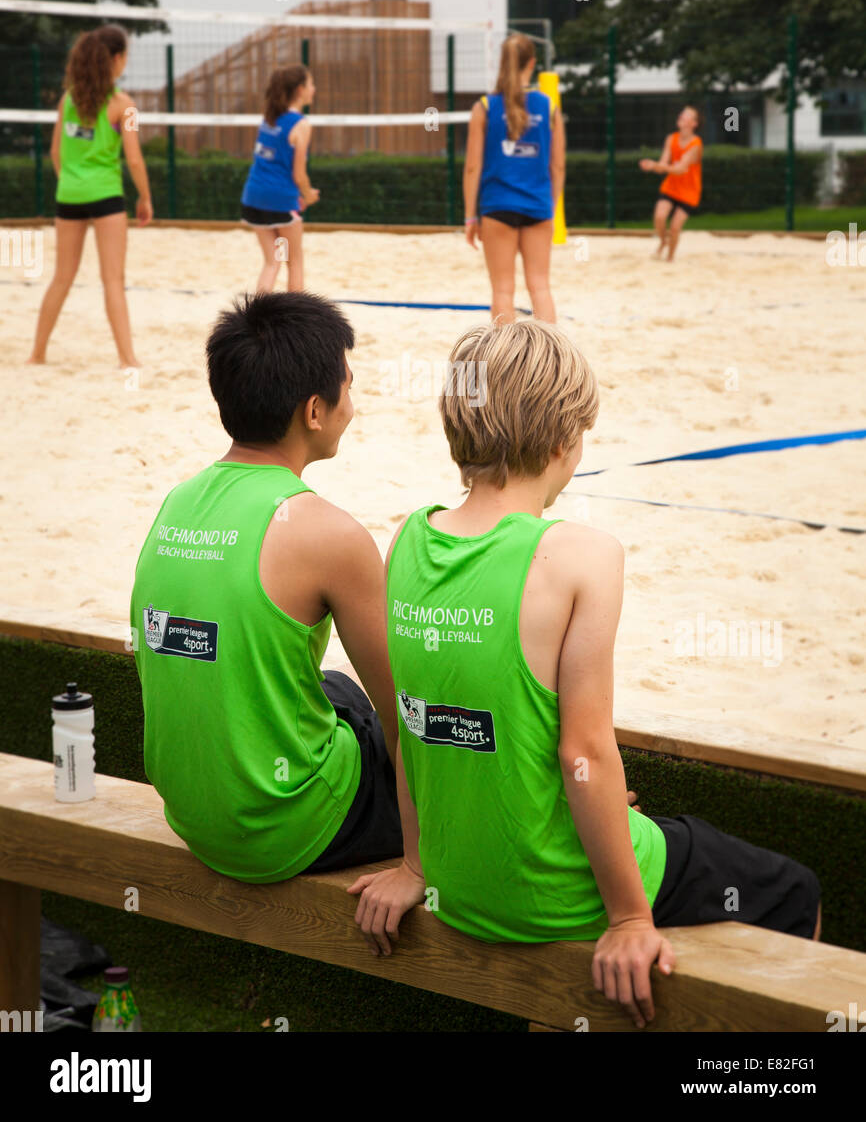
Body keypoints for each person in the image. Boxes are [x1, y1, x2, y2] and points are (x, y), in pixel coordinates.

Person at [349, 319, 822, 1028]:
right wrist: (629, 917)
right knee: (794, 889)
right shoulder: (582, 555)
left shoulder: (410, 539)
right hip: (550, 893)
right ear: (564, 440)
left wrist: (418, 868)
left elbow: (414, 725)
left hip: (458, 882)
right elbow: (585, 751)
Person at [130, 291, 414, 883]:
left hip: (194, 816)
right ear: (314, 411)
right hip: (289, 825)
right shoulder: (329, 533)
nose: (352, 407)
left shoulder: (176, 501)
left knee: (334, 687)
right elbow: (410, 713)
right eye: (349, 387)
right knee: (396, 721)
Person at [28, 25, 153, 367]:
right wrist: (145, 198)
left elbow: (56, 152)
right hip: (106, 196)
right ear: (115, 59)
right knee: (113, 279)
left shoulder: (67, 101)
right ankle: (128, 360)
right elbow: (135, 158)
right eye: (125, 55)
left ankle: (37, 354)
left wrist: (72, 181)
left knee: (62, 277)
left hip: (69, 196)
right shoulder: (124, 104)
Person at [463, 33, 565, 324]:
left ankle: (506, 365)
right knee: (540, 287)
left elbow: (472, 167)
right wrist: (550, 206)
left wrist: (470, 217)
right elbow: (557, 168)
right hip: (538, 205)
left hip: (498, 206)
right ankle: (549, 362)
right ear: (532, 63)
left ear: (502, 63)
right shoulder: (549, 107)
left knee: (502, 291)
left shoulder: (484, 107)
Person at [241, 65, 320, 293]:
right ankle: (296, 325)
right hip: (280, 199)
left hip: (253, 197)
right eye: (311, 84)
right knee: (294, 262)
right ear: (300, 89)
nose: (313, 89)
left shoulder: (269, 119)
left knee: (272, 261)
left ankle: (256, 322)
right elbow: (298, 174)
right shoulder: (301, 124)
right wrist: (308, 194)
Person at [639, 105, 703, 261]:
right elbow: (663, 167)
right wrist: (654, 166)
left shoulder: (696, 145)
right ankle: (662, 243)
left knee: (675, 227)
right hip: (671, 187)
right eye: (682, 113)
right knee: (659, 217)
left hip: (689, 191)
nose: (682, 115)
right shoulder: (671, 138)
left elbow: (680, 169)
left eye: (687, 115)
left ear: (694, 124)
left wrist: (656, 166)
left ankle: (670, 257)